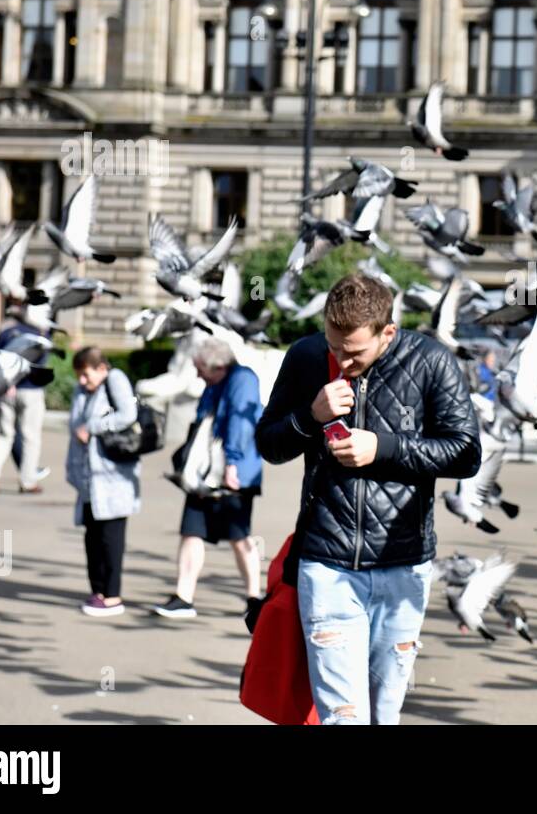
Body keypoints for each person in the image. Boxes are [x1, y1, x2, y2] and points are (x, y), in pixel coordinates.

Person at [255, 273, 482, 725]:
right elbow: (269, 444)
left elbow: (466, 452)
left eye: (354, 351)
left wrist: (384, 448)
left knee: (384, 714)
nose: (341, 359)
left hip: (404, 565)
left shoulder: (431, 361)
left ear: (388, 333)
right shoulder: (306, 357)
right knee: (343, 717)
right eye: (334, 346)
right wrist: (310, 416)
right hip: (327, 564)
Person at [151, 338, 264, 620]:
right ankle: (183, 596)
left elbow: (241, 423)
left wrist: (233, 464)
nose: (197, 373)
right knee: (192, 530)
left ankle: (253, 596)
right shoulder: (214, 384)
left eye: (199, 367)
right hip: (204, 472)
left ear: (217, 366)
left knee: (239, 535)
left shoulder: (242, 379)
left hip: (232, 471)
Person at [66, 347, 141, 618]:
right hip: (89, 478)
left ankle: (112, 596)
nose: (82, 381)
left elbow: (128, 414)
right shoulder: (82, 390)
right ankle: (97, 590)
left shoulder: (115, 379)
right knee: (92, 536)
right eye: (79, 376)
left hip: (113, 477)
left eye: (86, 375)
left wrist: (94, 427)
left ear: (101, 368)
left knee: (111, 537)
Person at [0, 305, 51, 494]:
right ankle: (28, 481)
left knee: (4, 433)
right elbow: (40, 362)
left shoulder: (7, 333)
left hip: (7, 389)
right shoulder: (41, 334)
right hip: (31, 390)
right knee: (30, 437)